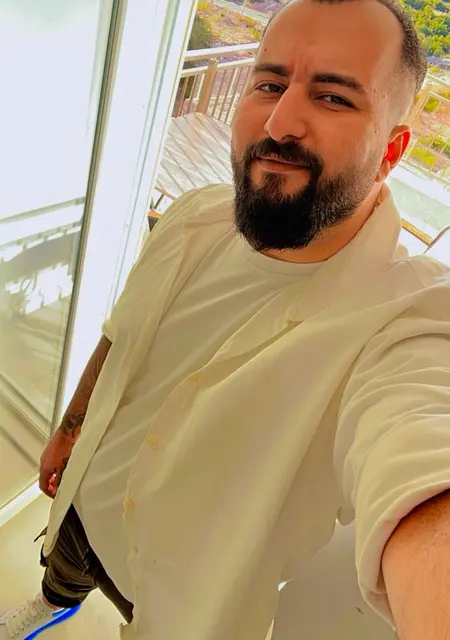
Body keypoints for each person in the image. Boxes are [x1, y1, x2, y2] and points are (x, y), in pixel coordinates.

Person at [2, 0, 450, 638]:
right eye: (269, 84)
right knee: (62, 570)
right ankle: (54, 601)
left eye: (333, 97)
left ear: (392, 150)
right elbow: (120, 335)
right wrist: (71, 429)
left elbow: (422, 447)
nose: (280, 121)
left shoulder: (406, 320)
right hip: (84, 503)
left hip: (176, 596)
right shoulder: (194, 215)